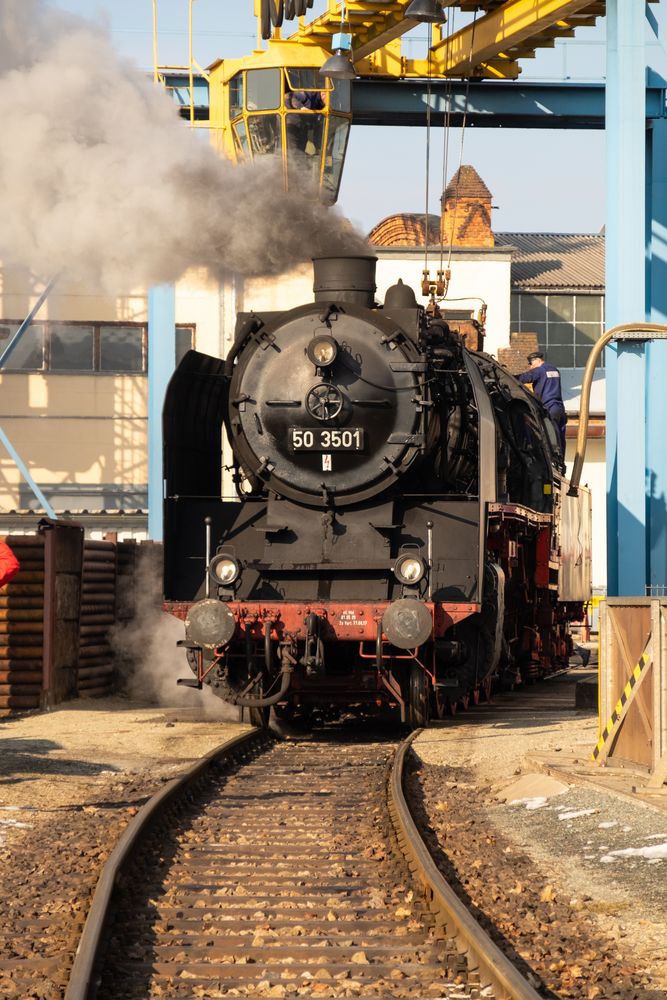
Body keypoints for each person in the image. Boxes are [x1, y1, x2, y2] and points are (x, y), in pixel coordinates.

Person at [517, 351, 567, 455]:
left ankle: (554, 456)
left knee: (550, 435)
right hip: (560, 408)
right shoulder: (555, 370)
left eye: (531, 364)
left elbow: (524, 378)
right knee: (560, 435)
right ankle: (560, 458)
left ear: (537, 360)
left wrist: (508, 376)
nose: (531, 367)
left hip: (549, 407)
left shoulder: (539, 370)